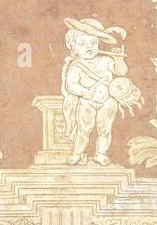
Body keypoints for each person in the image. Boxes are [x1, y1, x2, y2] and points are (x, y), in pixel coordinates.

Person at [60, 17, 142, 165]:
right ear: (74, 48)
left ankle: (100, 153)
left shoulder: (106, 60)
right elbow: (70, 85)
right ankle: (77, 153)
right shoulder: (75, 66)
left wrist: (118, 60)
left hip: (107, 101)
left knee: (104, 129)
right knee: (84, 129)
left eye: (93, 42)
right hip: (87, 102)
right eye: (82, 43)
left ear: (98, 44)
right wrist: (85, 92)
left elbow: (121, 72)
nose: (89, 46)